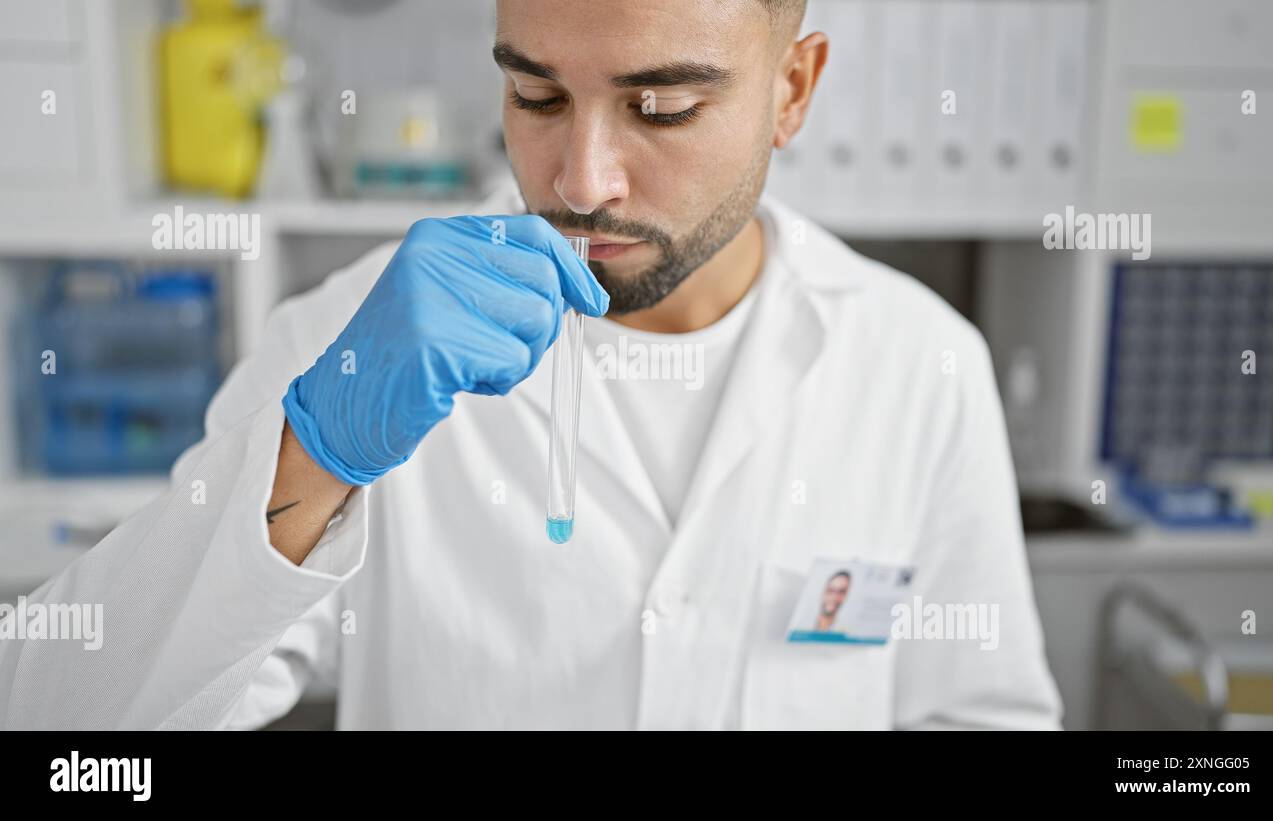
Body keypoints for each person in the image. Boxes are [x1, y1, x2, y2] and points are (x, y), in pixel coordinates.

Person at [0, 0, 1062, 730]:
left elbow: (974, 711)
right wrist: (308, 457)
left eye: (660, 107)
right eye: (537, 99)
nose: (582, 180)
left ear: (792, 87)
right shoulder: (343, 335)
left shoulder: (918, 363)